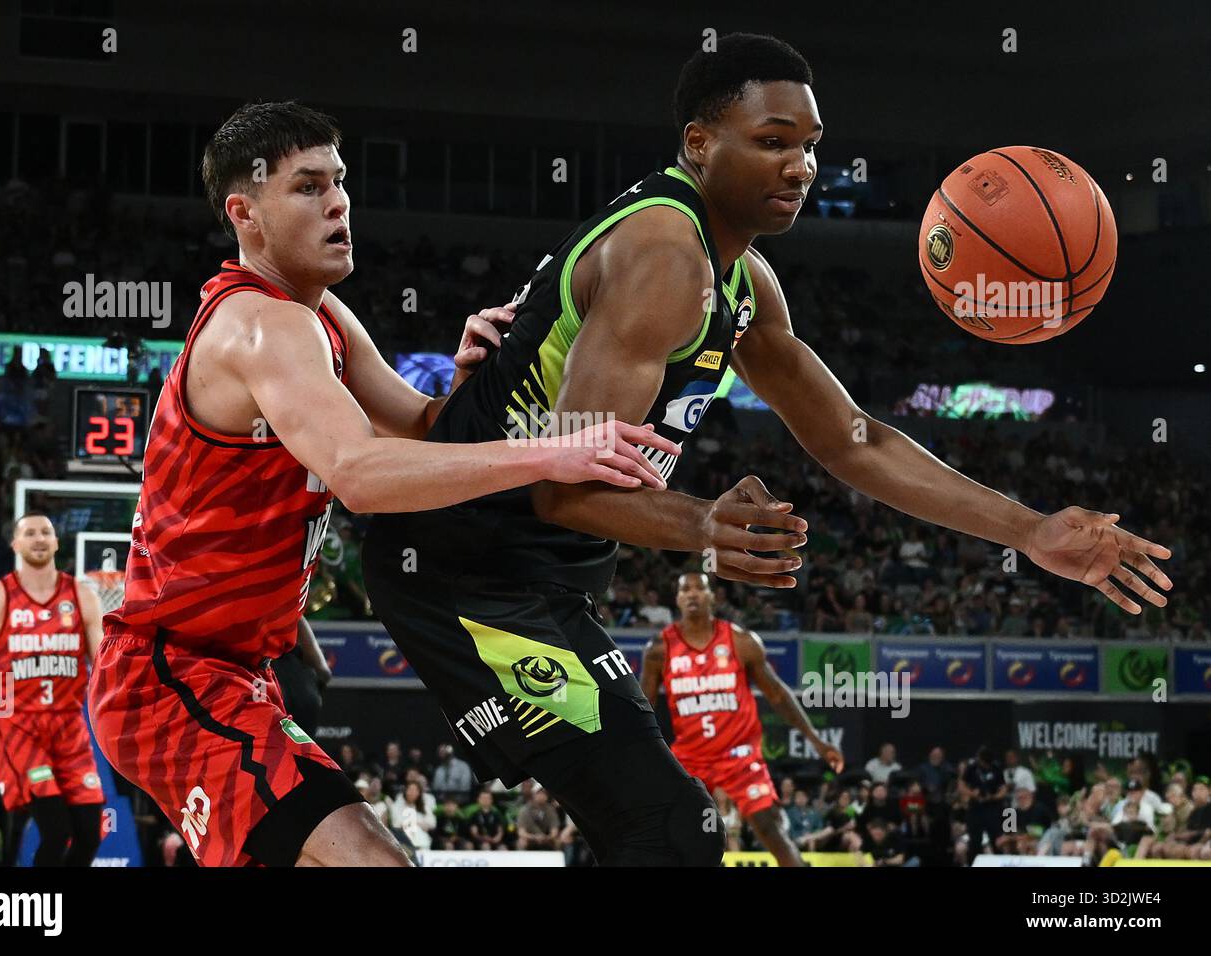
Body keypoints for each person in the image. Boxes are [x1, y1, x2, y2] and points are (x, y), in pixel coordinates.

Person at [361, 32, 1170, 867]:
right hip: (464, 565)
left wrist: (1030, 532)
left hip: (540, 571)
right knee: (667, 827)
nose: (799, 166)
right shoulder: (665, 258)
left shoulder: (744, 279)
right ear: (700, 145)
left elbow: (854, 441)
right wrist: (705, 524)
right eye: (773, 141)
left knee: (649, 829)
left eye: (810, 145)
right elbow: (563, 490)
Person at [88, 102, 674, 869]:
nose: (338, 202)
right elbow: (361, 475)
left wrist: (468, 385)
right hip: (170, 674)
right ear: (245, 212)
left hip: (236, 673)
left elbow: (422, 427)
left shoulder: (320, 312)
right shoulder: (262, 326)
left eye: (340, 182)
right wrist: (549, 453)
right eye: (307, 187)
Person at [0, 513, 106, 866]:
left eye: (47, 531)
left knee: (90, 834)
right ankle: (36, 909)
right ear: (15, 544)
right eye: (29, 533)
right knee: (56, 831)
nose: (39, 538)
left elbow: (107, 671)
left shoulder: (81, 596)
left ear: (57, 542)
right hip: (19, 731)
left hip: (69, 728)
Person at [642, 572, 842, 866]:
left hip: (739, 755)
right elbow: (643, 708)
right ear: (677, 599)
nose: (693, 594)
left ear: (712, 597)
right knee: (676, 833)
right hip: (691, 758)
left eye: (700, 588)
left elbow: (777, 695)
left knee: (768, 826)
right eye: (686, 589)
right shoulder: (659, 650)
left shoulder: (741, 641)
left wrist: (816, 740)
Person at [960, 747, 1007, 864]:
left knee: (996, 839)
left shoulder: (996, 768)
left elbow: (1003, 789)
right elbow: (961, 785)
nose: (985, 766)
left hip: (992, 808)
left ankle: (1000, 864)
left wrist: (993, 796)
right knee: (974, 841)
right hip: (975, 808)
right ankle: (972, 864)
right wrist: (972, 793)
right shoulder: (972, 768)